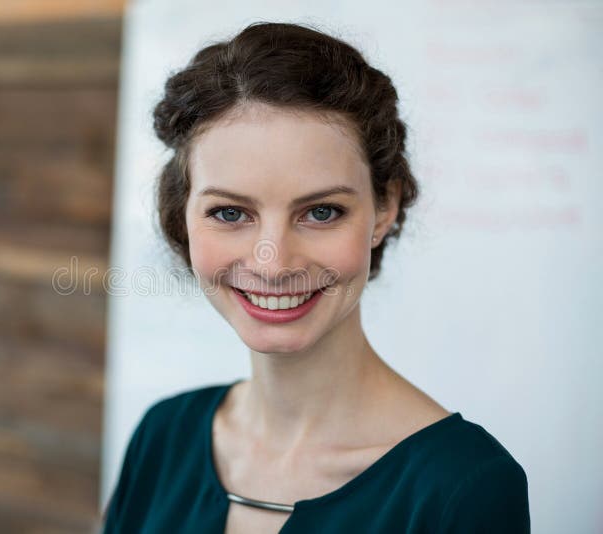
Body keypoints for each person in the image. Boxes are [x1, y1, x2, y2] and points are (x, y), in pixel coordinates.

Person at [102, 21, 530, 533]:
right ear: (183, 215)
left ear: (384, 208)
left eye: (322, 212)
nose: (273, 263)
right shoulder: (162, 435)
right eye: (231, 213)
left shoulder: (463, 487)